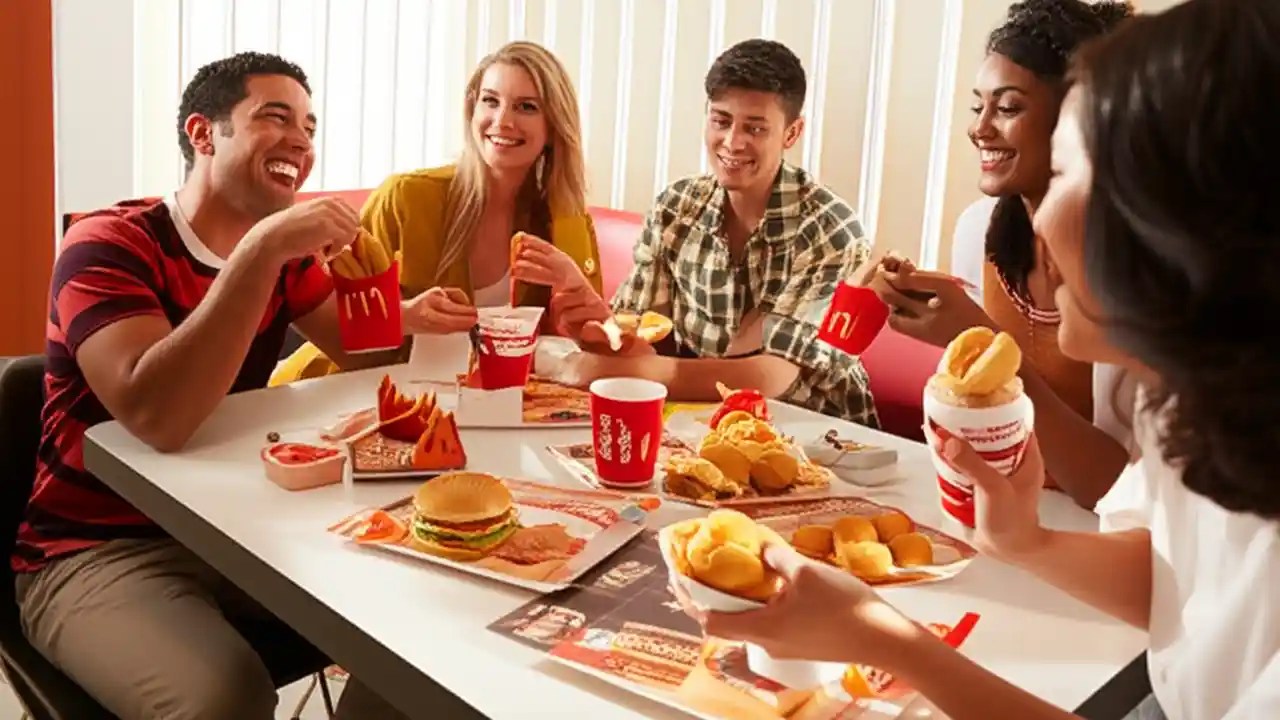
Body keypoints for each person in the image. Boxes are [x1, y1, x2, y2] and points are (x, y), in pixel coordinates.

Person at [680, 1, 1280, 718]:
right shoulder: (1193, 403)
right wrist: (1023, 539)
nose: (1042, 219)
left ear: (1192, 219)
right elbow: (1177, 582)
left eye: (1067, 173)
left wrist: (894, 645)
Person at [12, 52, 438, 719]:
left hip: (242, 533)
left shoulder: (286, 263)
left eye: (309, 125)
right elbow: (159, 416)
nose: (302, 139)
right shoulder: (106, 244)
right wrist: (262, 250)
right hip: (93, 549)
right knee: (225, 698)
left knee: (423, 639)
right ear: (203, 135)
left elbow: (369, 354)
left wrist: (419, 314)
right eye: (276, 117)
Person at [867, 0, 1134, 507]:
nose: (979, 128)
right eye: (978, 107)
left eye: (1008, 108)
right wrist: (930, 321)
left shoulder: (1134, 271)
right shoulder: (979, 233)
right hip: (1006, 515)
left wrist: (989, 344)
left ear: (1076, 118)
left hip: (1106, 540)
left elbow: (1118, 492)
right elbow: (980, 424)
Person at [547, 39, 877, 427]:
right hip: (703, 424)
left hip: (823, 435)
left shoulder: (830, 231)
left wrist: (650, 373)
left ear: (791, 133)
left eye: (755, 128)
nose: (733, 142)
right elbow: (635, 334)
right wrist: (592, 320)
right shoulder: (677, 207)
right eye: (721, 121)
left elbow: (773, 376)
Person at [272, 40, 601, 384]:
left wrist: (582, 298)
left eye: (526, 107)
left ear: (554, 125)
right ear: (472, 110)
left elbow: (591, 347)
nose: (502, 121)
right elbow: (324, 313)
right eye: (490, 101)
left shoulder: (569, 221)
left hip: (483, 408)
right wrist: (406, 318)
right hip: (340, 391)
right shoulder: (405, 197)